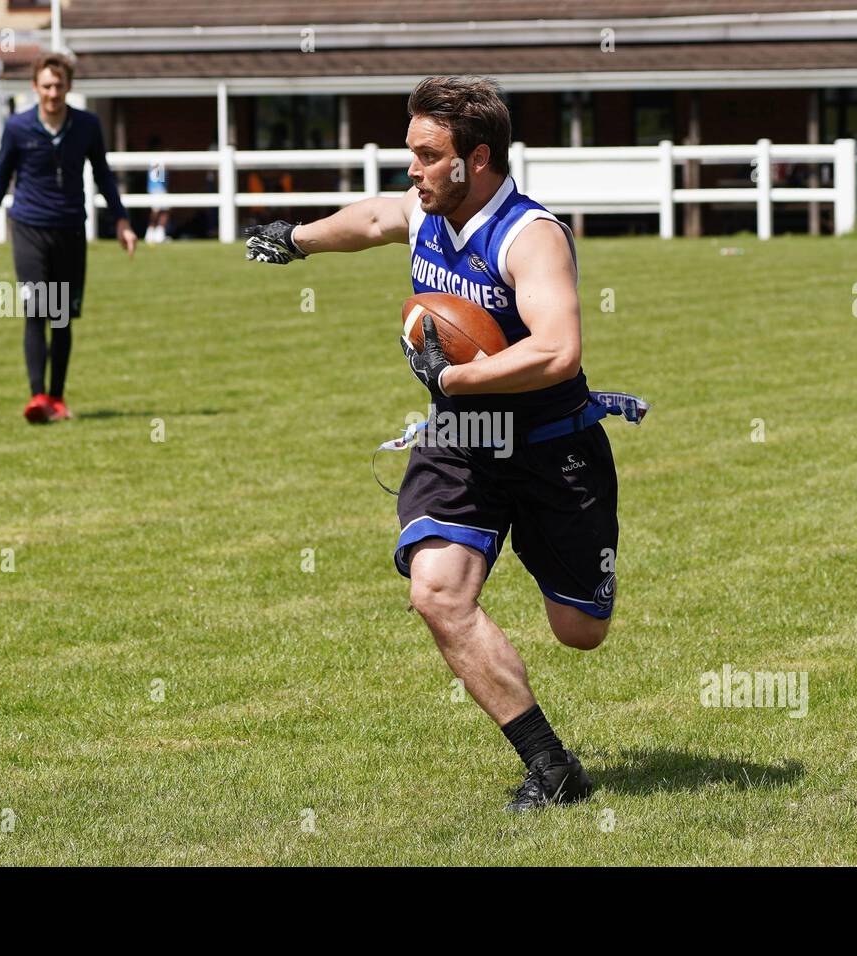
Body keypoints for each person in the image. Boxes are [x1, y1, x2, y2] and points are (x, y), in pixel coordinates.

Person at [241, 76, 626, 811]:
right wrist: (295, 240)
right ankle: (551, 768)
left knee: (580, 630)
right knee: (437, 594)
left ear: (475, 159)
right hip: (462, 444)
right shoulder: (426, 211)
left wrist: (454, 380)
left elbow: (558, 350)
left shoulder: (528, 236)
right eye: (410, 154)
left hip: (554, 449)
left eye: (425, 155)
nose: (411, 170)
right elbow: (373, 219)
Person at [0, 53, 137, 424]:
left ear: (69, 87)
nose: (53, 92)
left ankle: (57, 399)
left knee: (61, 318)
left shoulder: (87, 126)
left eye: (59, 85)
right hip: (29, 229)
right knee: (36, 310)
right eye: (46, 85)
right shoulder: (18, 127)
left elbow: (104, 175)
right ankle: (37, 397)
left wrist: (121, 221)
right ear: (35, 87)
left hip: (71, 231)